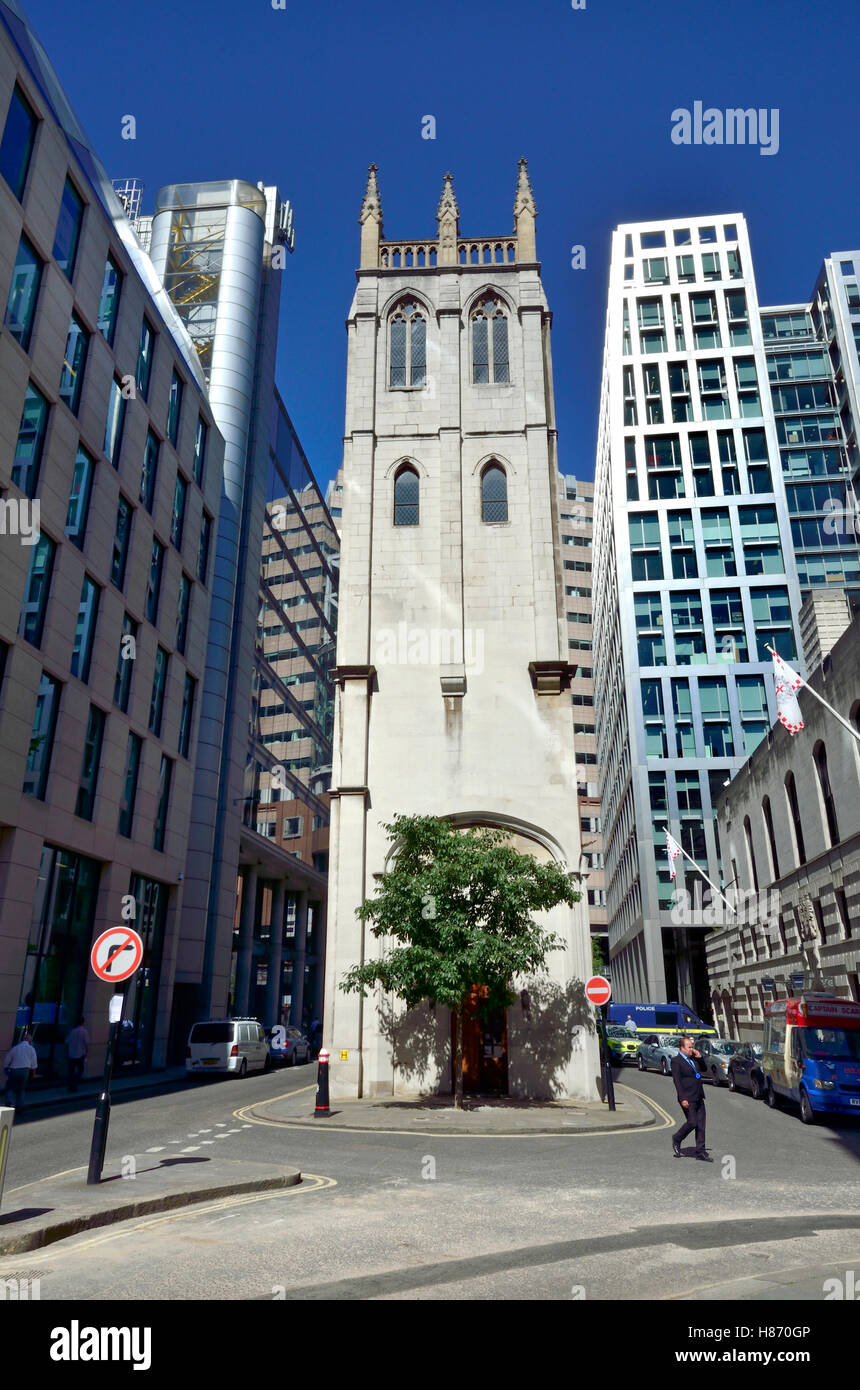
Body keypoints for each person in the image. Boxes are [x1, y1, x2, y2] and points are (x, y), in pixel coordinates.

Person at [671, 1035, 713, 1161]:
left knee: (701, 1125)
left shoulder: (694, 1059)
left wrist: (700, 1058)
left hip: (699, 1095)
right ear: (681, 1048)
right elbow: (677, 1081)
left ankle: (700, 1151)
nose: (691, 1049)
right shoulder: (676, 1061)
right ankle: (677, 1138)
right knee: (692, 1122)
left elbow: (704, 1069)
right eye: (689, 1047)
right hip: (687, 1097)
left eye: (692, 1047)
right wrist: (682, 1098)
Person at [4, 1032, 38, 1111]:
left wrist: (5, 1068)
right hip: (25, 1071)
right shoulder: (31, 1049)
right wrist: (33, 1074)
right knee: (21, 1089)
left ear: (23, 1039)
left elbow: (7, 1059)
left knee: (10, 1087)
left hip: (14, 1070)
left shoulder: (15, 1048)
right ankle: (19, 1106)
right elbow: (34, 1064)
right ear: (29, 1040)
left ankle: (9, 1101)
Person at [66, 1017, 89, 1093]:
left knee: (71, 1071)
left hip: (71, 1054)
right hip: (80, 1054)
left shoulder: (72, 1031)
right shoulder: (84, 1032)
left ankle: (70, 1085)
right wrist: (86, 1053)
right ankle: (74, 1083)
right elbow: (86, 1044)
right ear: (83, 1023)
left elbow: (67, 1042)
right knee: (80, 1070)